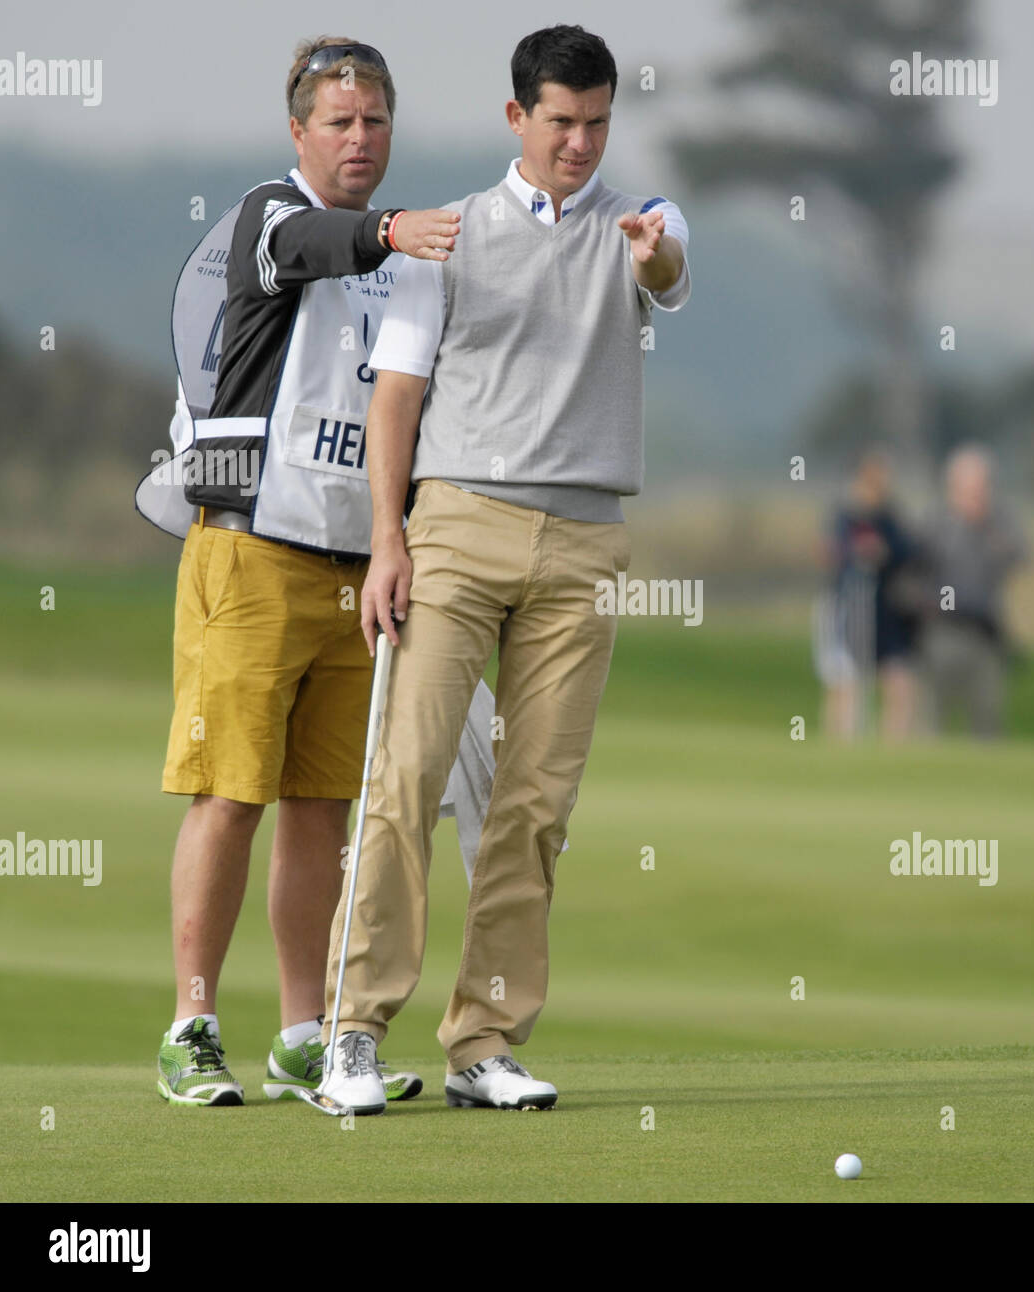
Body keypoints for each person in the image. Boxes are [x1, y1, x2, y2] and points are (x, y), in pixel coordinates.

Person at [316, 24, 691, 1114]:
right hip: (458, 526)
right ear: (517, 118)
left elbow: (665, 270)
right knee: (407, 777)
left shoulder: (643, 223)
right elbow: (397, 397)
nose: (580, 142)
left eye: (597, 122)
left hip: (582, 540)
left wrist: (651, 252)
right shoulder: (448, 236)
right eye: (561, 121)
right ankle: (352, 1033)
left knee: (533, 803)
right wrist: (389, 538)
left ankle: (482, 1040)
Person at [138, 37, 480, 1108]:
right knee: (230, 793)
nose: (359, 138)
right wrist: (389, 231)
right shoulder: (270, 218)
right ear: (299, 133)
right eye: (339, 121)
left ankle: (302, 1027)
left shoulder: (400, 255)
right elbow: (316, 244)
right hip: (248, 548)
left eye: (375, 121)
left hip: (355, 570)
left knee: (322, 805)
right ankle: (192, 1023)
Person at [919, 444, 1029, 738]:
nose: (976, 493)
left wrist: (986, 526)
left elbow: (1018, 557)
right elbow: (915, 566)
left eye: (982, 485)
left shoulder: (999, 521)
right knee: (932, 713)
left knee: (988, 712)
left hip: (985, 629)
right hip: (942, 627)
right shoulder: (936, 521)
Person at [815, 449, 922, 740]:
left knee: (898, 684)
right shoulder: (844, 515)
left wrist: (884, 553)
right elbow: (830, 555)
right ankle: (841, 746)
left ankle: (894, 752)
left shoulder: (890, 518)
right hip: (848, 607)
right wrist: (853, 553)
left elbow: (908, 552)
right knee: (844, 683)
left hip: (885, 612)